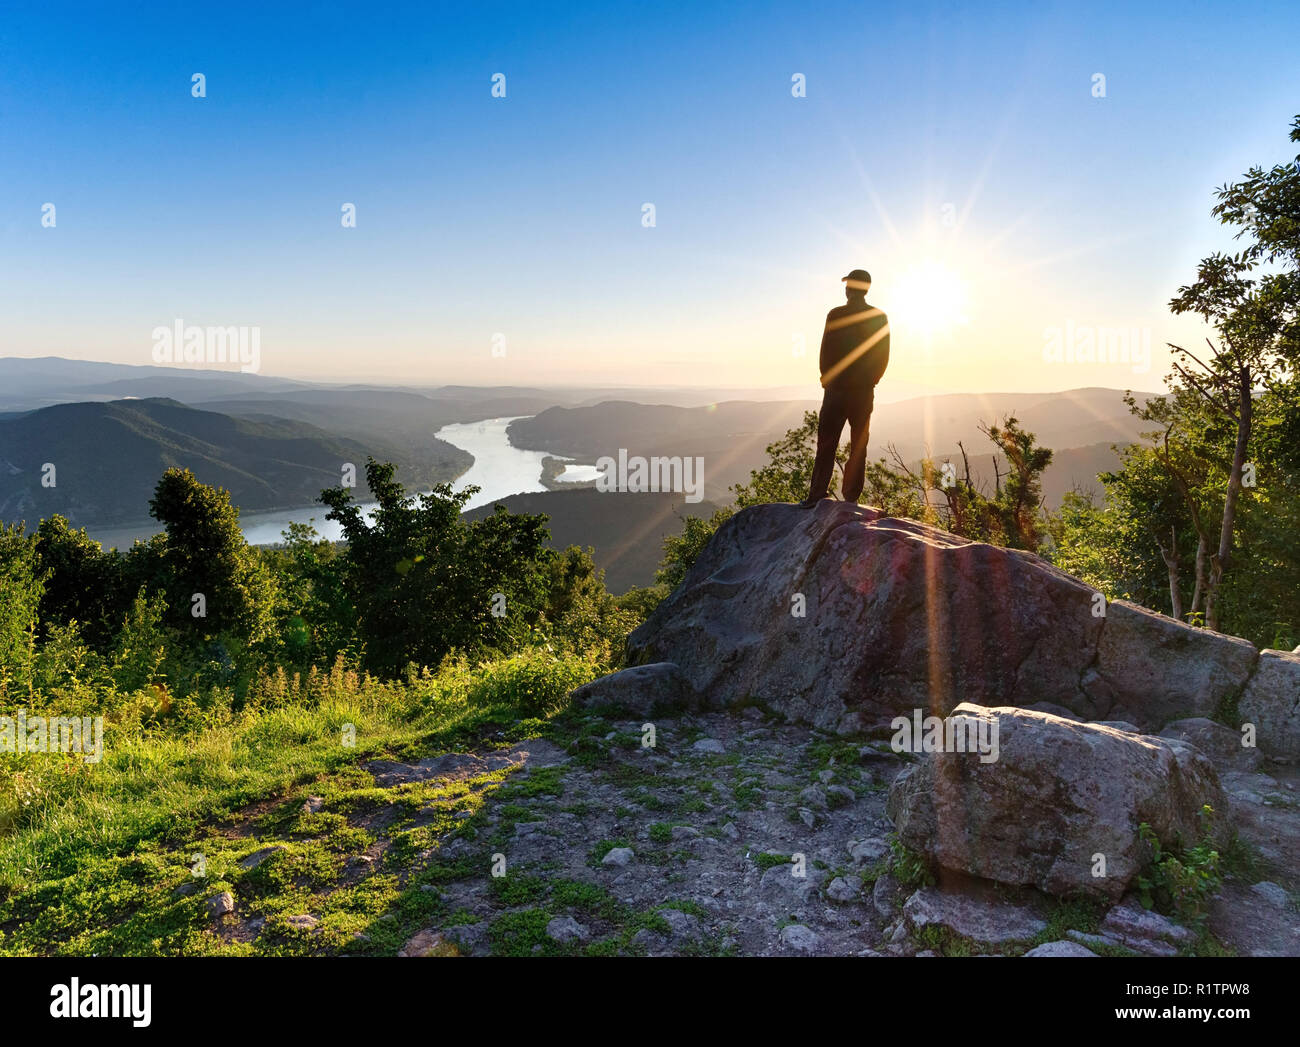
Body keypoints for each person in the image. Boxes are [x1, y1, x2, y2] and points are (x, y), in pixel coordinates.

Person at [800, 268, 890, 506]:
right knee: (859, 445)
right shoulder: (879, 317)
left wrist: (827, 378)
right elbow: (883, 356)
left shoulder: (836, 314)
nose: (846, 288)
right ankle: (851, 497)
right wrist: (871, 381)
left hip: (836, 391)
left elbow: (825, 349)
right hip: (862, 392)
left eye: (848, 284)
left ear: (851, 287)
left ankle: (816, 494)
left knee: (826, 443)